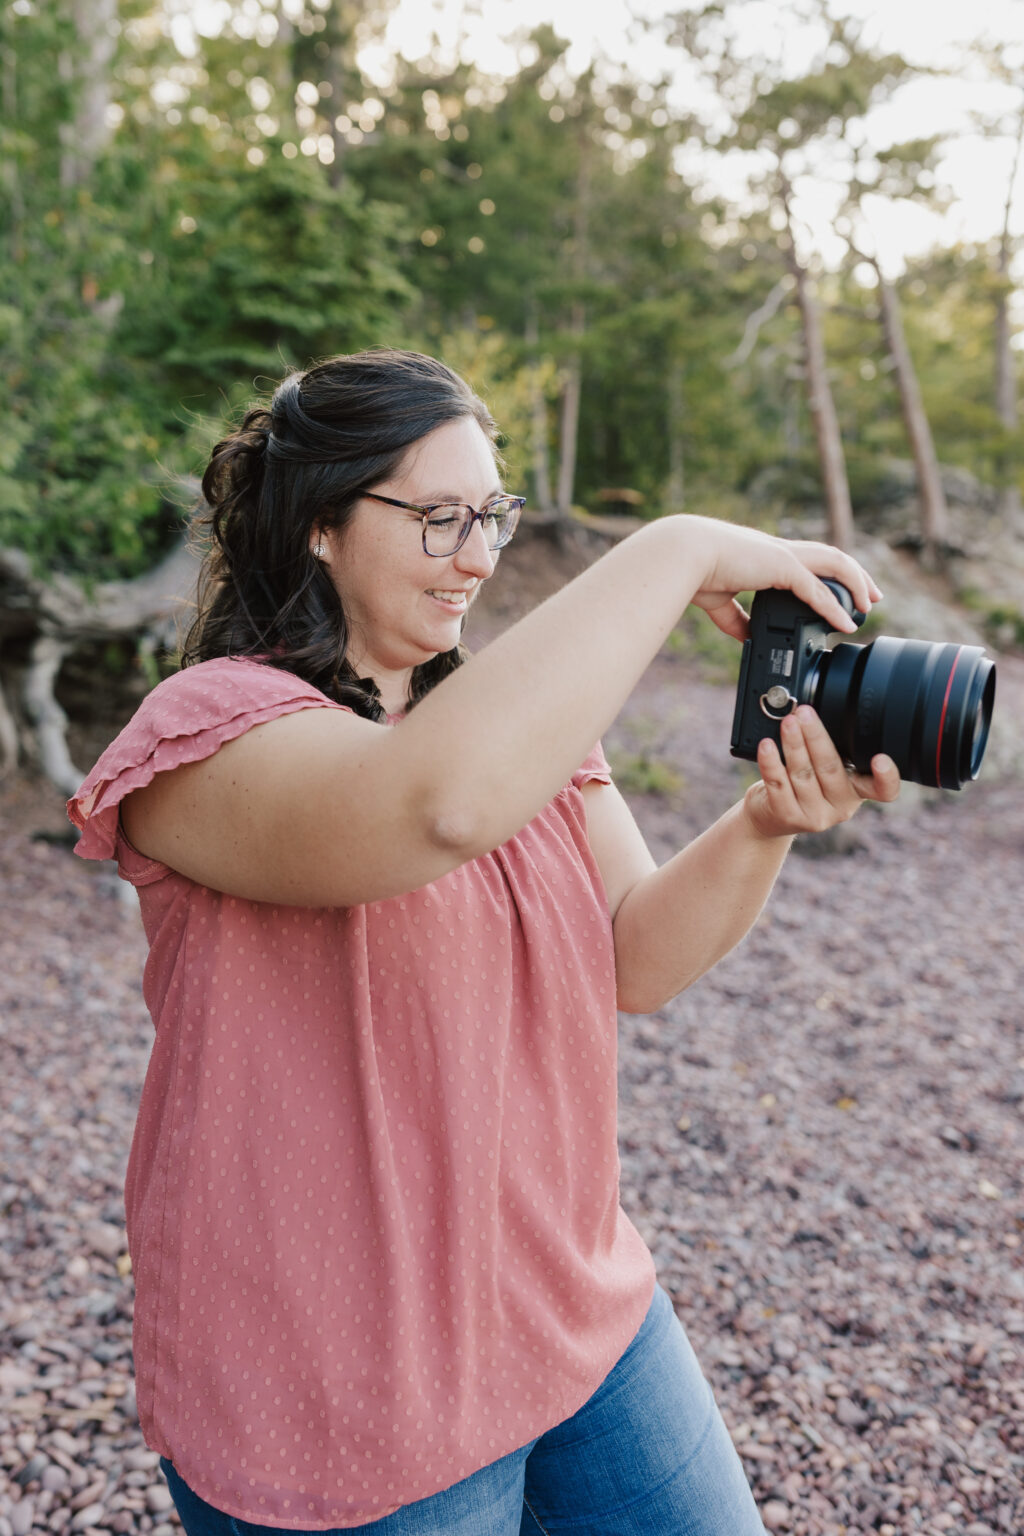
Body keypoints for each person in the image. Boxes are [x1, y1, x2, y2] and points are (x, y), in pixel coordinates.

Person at [68, 349, 899, 1536]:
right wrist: (677, 548)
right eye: (439, 519)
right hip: (343, 1374)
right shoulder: (204, 728)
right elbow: (429, 809)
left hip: (571, 1303)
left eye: (491, 515)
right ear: (318, 526)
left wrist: (767, 820)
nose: (479, 556)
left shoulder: (511, 731)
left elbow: (636, 959)